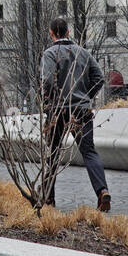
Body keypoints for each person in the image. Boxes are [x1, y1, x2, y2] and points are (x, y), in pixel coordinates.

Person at [41, 16, 110, 212]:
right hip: (82, 108)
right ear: (68, 32)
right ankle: (102, 191)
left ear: (51, 33)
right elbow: (99, 78)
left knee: (53, 153)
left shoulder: (50, 54)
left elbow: (46, 81)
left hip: (59, 110)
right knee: (89, 152)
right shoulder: (83, 53)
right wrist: (86, 96)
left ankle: (49, 198)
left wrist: (50, 101)